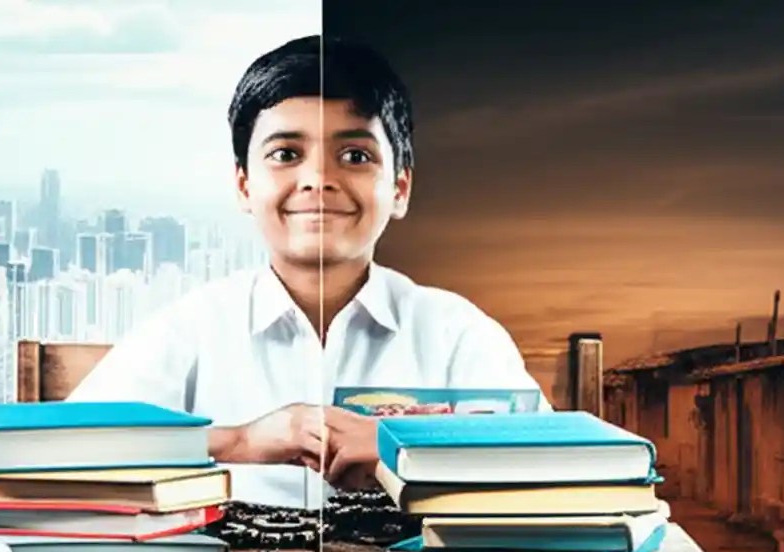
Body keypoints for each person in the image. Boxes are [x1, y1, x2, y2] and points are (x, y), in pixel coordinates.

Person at [68, 35, 553, 508]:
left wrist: (403, 446)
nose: (318, 180)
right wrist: (236, 442)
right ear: (243, 186)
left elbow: (555, 465)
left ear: (400, 188)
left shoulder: (455, 331)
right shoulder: (190, 328)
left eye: (355, 156)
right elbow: (58, 452)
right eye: (286, 155)